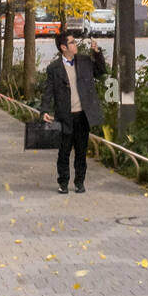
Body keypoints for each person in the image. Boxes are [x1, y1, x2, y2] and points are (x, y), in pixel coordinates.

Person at [42, 31, 106, 195]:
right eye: (72, 43)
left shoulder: (84, 61)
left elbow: (100, 71)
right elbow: (48, 91)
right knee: (64, 152)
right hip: (64, 116)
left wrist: (96, 52)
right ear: (63, 47)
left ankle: (79, 182)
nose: (75, 45)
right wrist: (44, 111)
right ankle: (63, 183)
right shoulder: (54, 68)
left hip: (82, 115)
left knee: (81, 151)